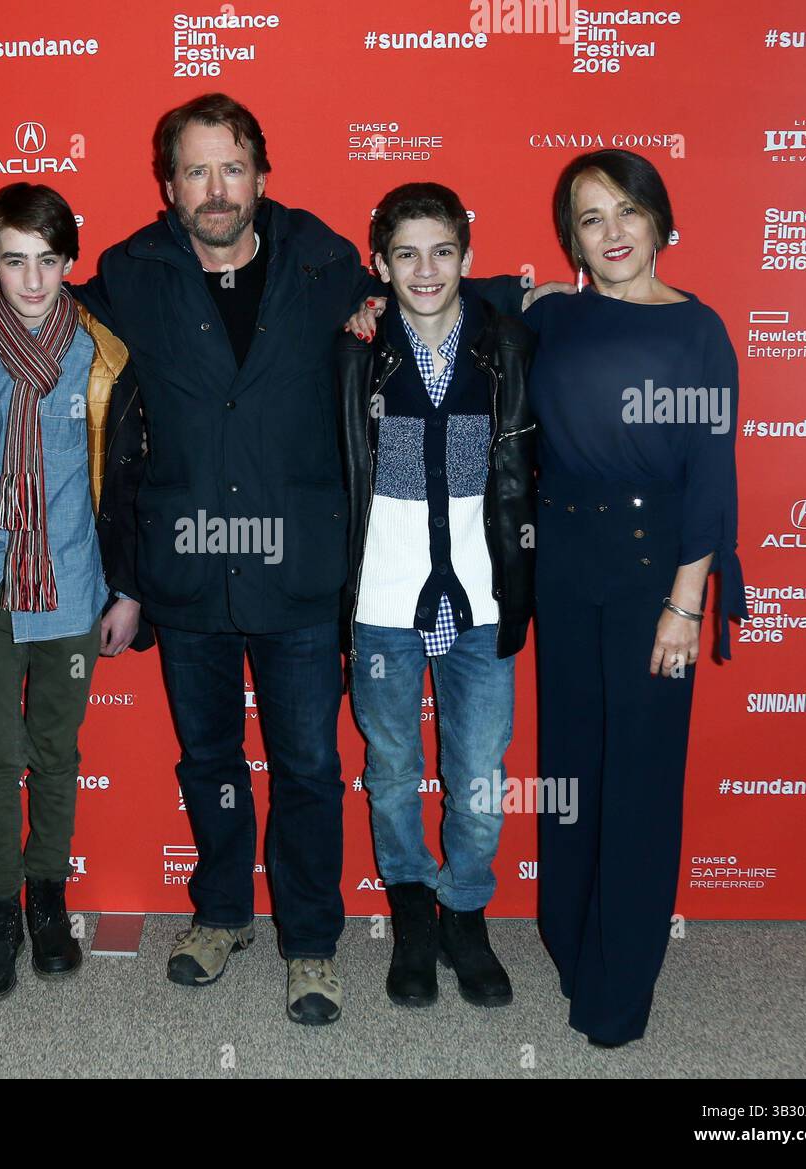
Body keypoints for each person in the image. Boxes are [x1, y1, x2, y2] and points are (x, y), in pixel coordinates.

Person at [0, 93, 547, 1026]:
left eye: (232, 167)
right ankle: (218, 914)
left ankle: (312, 941)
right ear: (169, 184)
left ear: (261, 176)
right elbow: (18, 295)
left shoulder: (328, 266)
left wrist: (542, 297)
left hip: (298, 571)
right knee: (208, 756)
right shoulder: (129, 271)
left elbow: (439, 294)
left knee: (306, 766)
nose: (216, 189)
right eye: (196, 170)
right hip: (188, 568)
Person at [523, 149, 747, 1046]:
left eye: (627, 211)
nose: (612, 231)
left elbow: (712, 478)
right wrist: (371, 297)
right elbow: (441, 293)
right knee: (573, 767)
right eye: (590, 217)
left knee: (643, 780)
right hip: (566, 569)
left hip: (658, 571)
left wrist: (686, 604)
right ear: (572, 239)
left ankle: (620, 990)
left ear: (659, 222)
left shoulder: (697, 332)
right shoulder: (550, 319)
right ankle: (573, 945)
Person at [0, 183, 149, 999]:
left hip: (75, 583)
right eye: (14, 262)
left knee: (56, 750)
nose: (35, 280)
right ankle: (1, 908)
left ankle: (49, 893)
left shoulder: (106, 349)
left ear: (71, 262)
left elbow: (132, 481)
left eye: (49, 261)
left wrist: (130, 589)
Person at [337, 183, 536, 1010]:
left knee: (479, 775)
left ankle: (466, 912)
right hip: (382, 600)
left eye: (443, 251)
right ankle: (413, 913)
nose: (426, 269)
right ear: (380, 263)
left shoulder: (504, 340)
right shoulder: (356, 346)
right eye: (407, 254)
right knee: (391, 771)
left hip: (482, 597)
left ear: (468, 258)